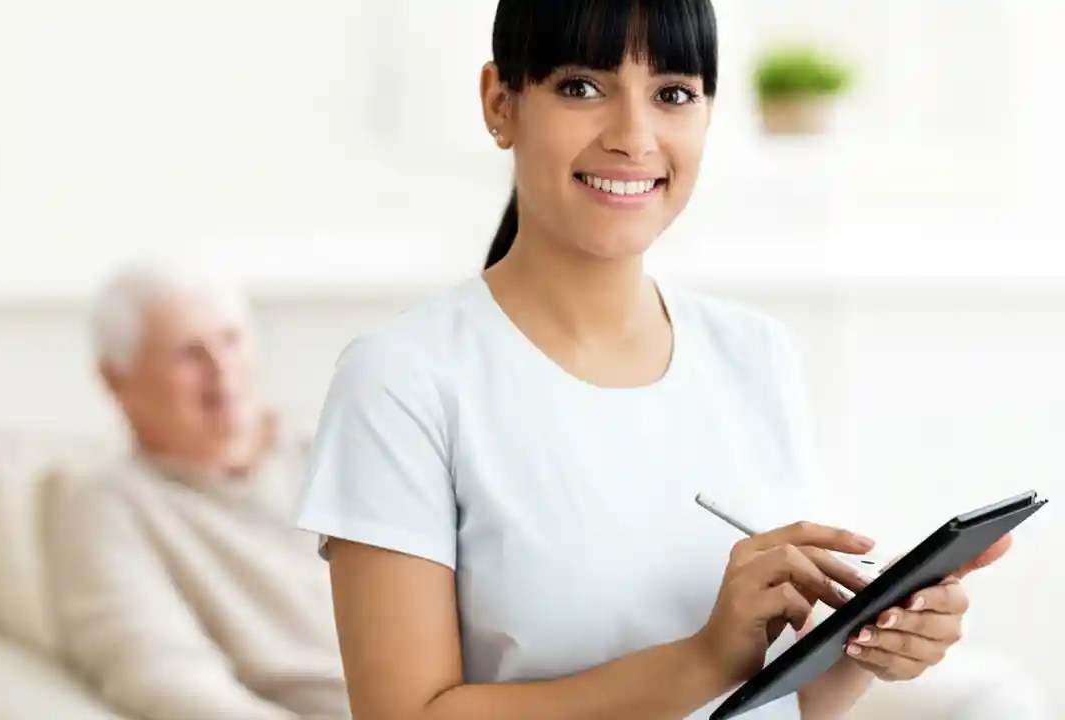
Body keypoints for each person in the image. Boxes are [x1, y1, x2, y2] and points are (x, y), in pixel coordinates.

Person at [296, 2, 1012, 719]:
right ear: (500, 103)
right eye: (582, 87)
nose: (634, 137)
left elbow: (792, 704)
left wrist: (873, 642)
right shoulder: (401, 379)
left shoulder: (756, 354)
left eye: (672, 94)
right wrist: (702, 659)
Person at [46, 259, 349, 720]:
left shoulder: (341, 445)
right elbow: (162, 677)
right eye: (189, 352)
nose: (221, 368)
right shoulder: (108, 506)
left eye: (231, 340)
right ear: (116, 379)